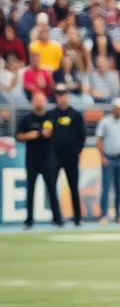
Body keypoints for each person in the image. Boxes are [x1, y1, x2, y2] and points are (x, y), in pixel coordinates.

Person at [15, 90, 64, 228]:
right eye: (37, 100)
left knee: (51, 189)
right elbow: (18, 136)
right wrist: (30, 135)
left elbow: (55, 133)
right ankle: (29, 219)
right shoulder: (27, 119)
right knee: (30, 190)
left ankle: (57, 218)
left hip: (48, 159)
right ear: (33, 103)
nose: (39, 103)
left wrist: (47, 133)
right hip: (32, 159)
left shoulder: (51, 118)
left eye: (41, 100)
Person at [51, 84, 86, 225]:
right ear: (56, 97)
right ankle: (57, 218)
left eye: (64, 94)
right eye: (59, 95)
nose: (62, 98)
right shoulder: (51, 114)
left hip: (71, 156)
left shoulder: (76, 115)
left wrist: (77, 151)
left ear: (68, 96)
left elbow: (81, 136)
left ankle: (77, 218)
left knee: (73, 187)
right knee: (52, 186)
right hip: (54, 157)